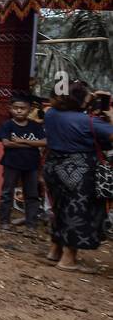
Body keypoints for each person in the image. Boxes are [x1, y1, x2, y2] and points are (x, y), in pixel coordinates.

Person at [41, 79, 112, 272]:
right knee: (78, 212)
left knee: (60, 208)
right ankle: (68, 259)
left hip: (53, 167)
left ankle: (54, 250)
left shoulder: (51, 114)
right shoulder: (89, 121)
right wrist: (110, 116)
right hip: (79, 171)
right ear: (79, 100)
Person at [0, 94, 45, 233]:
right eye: (16, 108)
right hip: (11, 163)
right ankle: (4, 222)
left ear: (29, 110)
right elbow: (7, 144)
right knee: (7, 192)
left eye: (23, 108)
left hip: (32, 165)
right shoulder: (8, 125)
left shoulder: (35, 126)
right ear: (10, 109)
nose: (19, 111)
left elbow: (45, 142)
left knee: (32, 194)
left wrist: (21, 141)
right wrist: (32, 145)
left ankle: (31, 225)